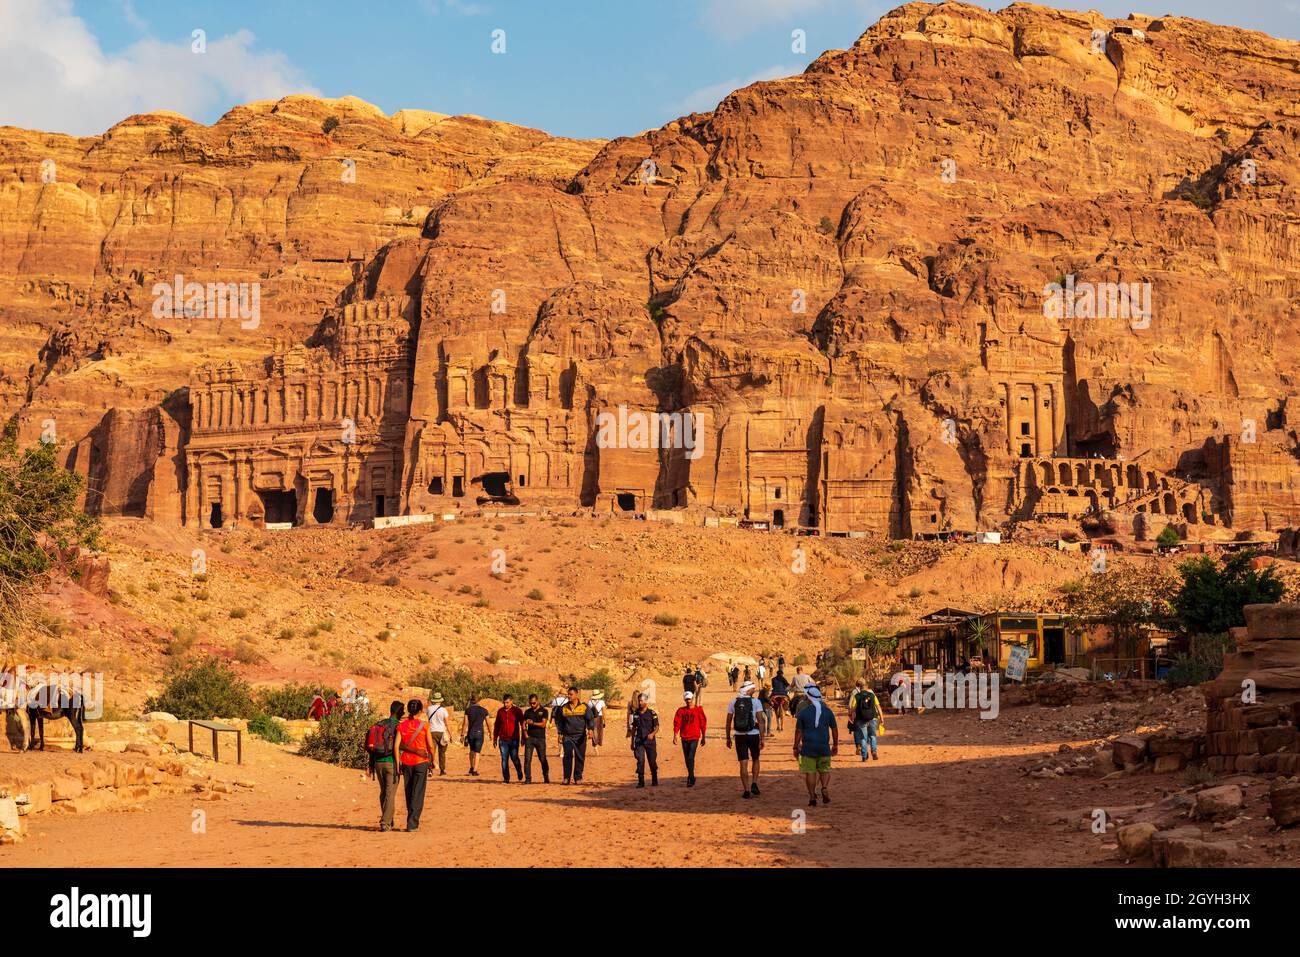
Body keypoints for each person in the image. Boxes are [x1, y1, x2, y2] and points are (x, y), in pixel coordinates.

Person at [793, 686, 839, 807]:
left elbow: (798, 732)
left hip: (808, 747)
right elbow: (834, 729)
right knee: (824, 770)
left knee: (810, 772)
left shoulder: (803, 713)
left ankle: (812, 797)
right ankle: (824, 787)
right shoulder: (828, 711)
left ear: (809, 698)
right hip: (824, 747)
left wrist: (795, 746)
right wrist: (835, 744)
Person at [364, 700, 404, 831]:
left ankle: (388, 818)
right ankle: (385, 823)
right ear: (400, 712)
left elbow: (370, 746)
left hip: (378, 763)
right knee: (390, 794)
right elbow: (400, 747)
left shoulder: (380, 724)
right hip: (391, 762)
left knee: (384, 792)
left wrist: (370, 765)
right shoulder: (399, 726)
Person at [397, 698, 435, 831]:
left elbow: (399, 745)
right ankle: (413, 824)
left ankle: (410, 820)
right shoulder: (424, 726)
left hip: (406, 762)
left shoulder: (402, 725)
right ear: (420, 711)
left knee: (408, 791)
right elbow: (430, 746)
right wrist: (432, 760)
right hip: (421, 762)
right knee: (418, 793)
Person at [726, 681, 763, 799]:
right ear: (748, 691)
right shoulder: (756, 702)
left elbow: (728, 722)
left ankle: (746, 790)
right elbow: (760, 721)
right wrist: (762, 738)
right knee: (756, 758)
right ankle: (754, 783)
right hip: (753, 734)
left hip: (739, 735)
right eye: (753, 689)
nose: (754, 690)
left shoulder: (733, 702)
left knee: (743, 762)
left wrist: (728, 737)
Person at [556, 686, 596, 784]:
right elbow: (559, 721)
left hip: (580, 737)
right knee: (567, 756)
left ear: (576, 695)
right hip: (568, 737)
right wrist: (560, 733)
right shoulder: (564, 708)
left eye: (571, 694)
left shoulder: (584, 707)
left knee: (580, 757)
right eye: (568, 694)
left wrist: (590, 730)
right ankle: (566, 778)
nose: (569, 696)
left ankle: (578, 777)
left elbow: (590, 719)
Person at [672, 691, 707, 787]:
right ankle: (691, 776)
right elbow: (677, 723)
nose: (688, 701)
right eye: (686, 699)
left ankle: (690, 777)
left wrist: (703, 736)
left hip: (694, 737)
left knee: (691, 757)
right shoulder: (681, 711)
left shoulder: (698, 710)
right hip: (684, 737)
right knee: (687, 759)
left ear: (693, 699)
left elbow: (703, 723)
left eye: (690, 699)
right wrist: (675, 735)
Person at [493, 694, 526, 782]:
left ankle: (519, 771)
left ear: (511, 701)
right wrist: (495, 738)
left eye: (507, 702)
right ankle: (506, 779)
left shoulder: (517, 711)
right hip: (503, 740)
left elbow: (522, 724)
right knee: (504, 759)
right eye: (504, 702)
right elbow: (496, 725)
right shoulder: (500, 711)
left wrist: (523, 737)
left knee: (514, 758)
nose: (505, 704)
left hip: (514, 739)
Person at [629, 693, 659, 788]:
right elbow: (634, 728)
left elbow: (657, 727)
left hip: (650, 741)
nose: (640, 703)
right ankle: (641, 781)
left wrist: (652, 734)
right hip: (639, 741)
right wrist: (632, 741)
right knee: (640, 760)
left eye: (641, 701)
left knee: (652, 761)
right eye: (639, 701)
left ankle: (654, 778)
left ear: (646, 701)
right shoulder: (636, 714)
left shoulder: (652, 713)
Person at [848, 679, 882, 761]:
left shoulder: (857, 696)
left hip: (861, 719)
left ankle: (864, 756)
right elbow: (878, 707)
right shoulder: (872, 695)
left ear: (860, 688)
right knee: (873, 736)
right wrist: (882, 718)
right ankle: (874, 752)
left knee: (863, 738)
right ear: (867, 688)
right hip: (873, 718)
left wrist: (851, 717)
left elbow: (852, 709)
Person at [522, 693, 551, 783]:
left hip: (540, 738)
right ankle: (528, 779)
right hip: (529, 738)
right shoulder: (527, 712)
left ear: (538, 701)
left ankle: (546, 776)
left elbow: (543, 724)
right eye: (530, 703)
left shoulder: (544, 711)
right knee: (527, 759)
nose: (532, 705)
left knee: (542, 759)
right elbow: (523, 724)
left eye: (534, 703)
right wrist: (525, 735)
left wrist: (532, 723)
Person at [460, 692, 490, 776]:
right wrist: (491, 733)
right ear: (479, 701)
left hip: (471, 733)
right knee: (477, 752)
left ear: (472, 701)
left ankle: (471, 767)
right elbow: (488, 723)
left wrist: (462, 734)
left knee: (471, 750)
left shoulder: (468, 710)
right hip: (479, 733)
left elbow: (465, 723)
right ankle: (475, 770)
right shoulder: (484, 710)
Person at [425, 692, 451, 776]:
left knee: (431, 751)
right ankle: (442, 770)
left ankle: (429, 770)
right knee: (442, 752)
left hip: (431, 731)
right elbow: (447, 723)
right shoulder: (443, 710)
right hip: (441, 732)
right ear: (440, 700)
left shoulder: (429, 709)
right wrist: (450, 734)